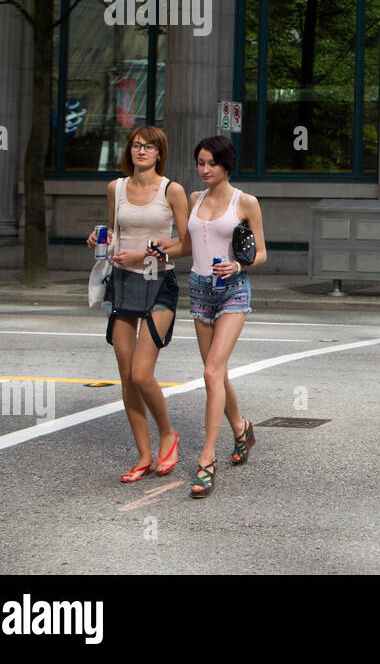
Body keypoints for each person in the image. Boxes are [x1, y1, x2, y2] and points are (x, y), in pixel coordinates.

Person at [163, 136, 267, 499]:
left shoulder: (246, 202)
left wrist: (238, 264)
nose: (204, 170)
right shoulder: (195, 199)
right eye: (200, 163)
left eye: (211, 163)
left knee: (210, 372)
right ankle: (241, 427)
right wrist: (160, 250)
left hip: (234, 289)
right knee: (216, 371)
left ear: (226, 165)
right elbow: (189, 245)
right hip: (199, 288)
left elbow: (262, 254)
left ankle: (207, 460)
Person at [87, 126, 187, 483]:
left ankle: (168, 435)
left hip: (159, 281)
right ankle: (144, 455)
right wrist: (102, 238)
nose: (141, 151)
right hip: (123, 282)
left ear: (160, 153)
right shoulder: (116, 187)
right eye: (136, 146)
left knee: (143, 374)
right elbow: (115, 231)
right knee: (127, 378)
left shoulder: (171, 190)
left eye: (149, 146)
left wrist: (146, 251)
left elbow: (186, 244)